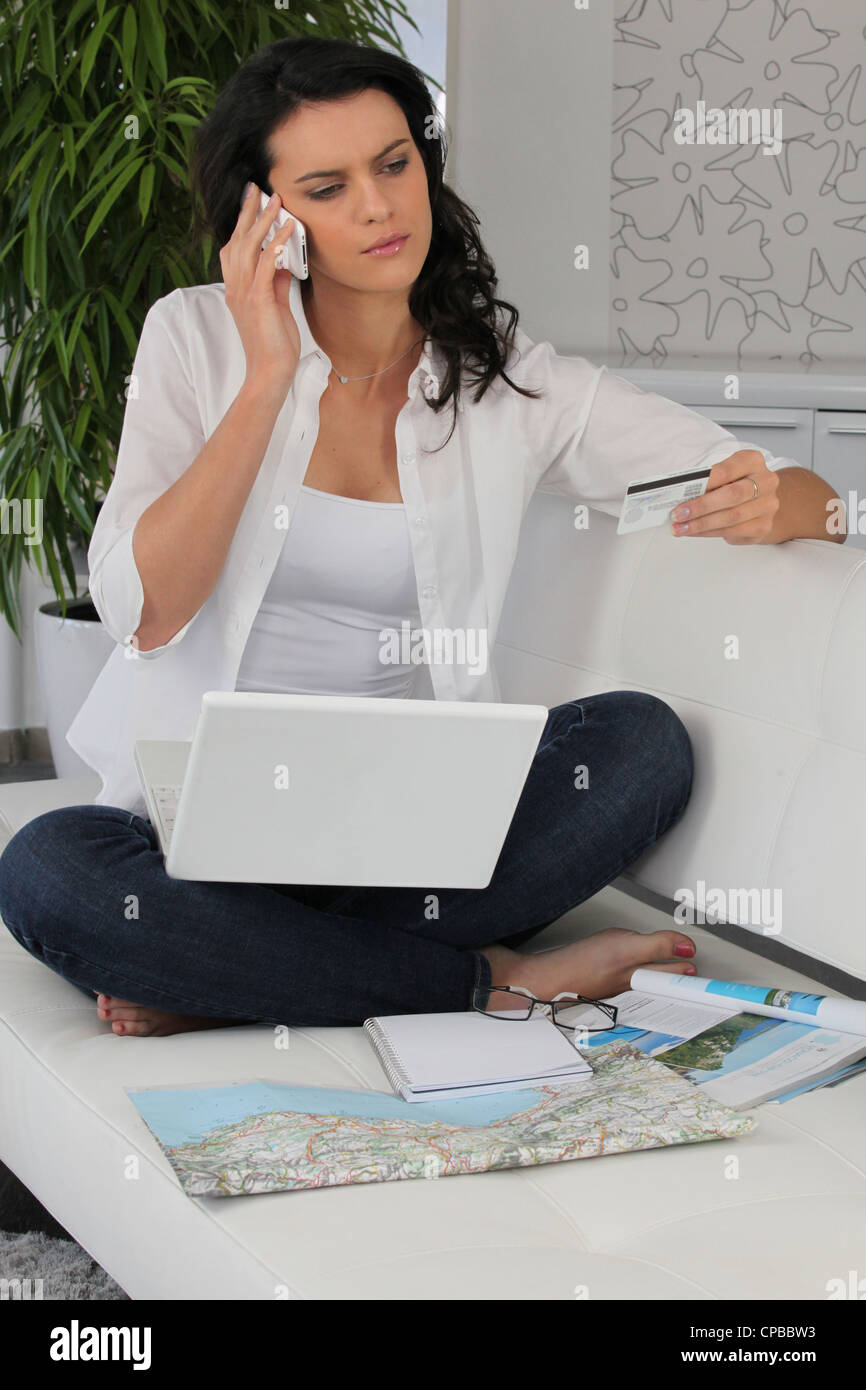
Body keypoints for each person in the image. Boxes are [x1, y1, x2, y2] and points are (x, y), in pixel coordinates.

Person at [5, 33, 791, 1039]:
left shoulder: (504, 378)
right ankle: (489, 981)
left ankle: (235, 972)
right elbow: (145, 609)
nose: (378, 207)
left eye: (392, 164)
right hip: (184, 841)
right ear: (265, 219)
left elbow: (735, 470)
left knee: (639, 745)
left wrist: (798, 503)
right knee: (47, 873)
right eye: (327, 187)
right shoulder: (192, 339)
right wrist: (265, 380)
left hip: (404, 848)